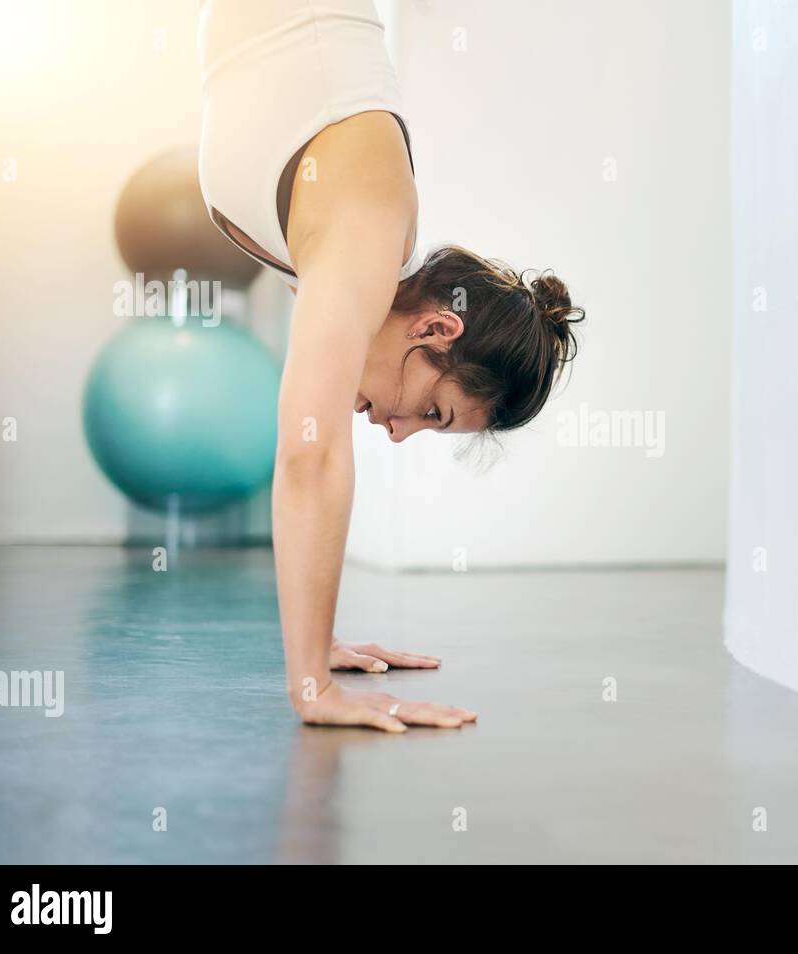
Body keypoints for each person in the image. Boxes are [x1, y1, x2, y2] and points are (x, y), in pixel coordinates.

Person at [197, 0, 583, 732]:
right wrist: (311, 686)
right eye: (431, 410)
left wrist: (318, 642)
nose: (397, 432)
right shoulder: (367, 223)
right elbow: (309, 452)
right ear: (437, 326)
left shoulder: (344, 264)